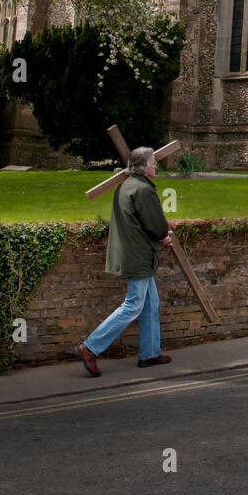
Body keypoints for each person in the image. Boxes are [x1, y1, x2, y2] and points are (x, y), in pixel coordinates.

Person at [78, 146, 174, 375]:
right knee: (133, 305)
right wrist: (165, 234)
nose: (156, 165)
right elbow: (156, 224)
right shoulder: (143, 190)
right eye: (153, 162)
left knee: (151, 303)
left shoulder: (125, 186)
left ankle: (150, 353)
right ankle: (91, 347)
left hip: (134, 253)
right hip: (139, 255)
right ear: (143, 167)